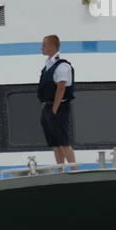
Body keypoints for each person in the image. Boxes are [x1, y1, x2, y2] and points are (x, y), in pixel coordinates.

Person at [38, 35, 76, 172]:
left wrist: (54, 109)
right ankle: (61, 170)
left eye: (44, 45)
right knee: (55, 143)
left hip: (59, 107)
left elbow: (61, 87)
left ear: (52, 47)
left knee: (63, 141)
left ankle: (74, 170)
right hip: (48, 106)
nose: (42, 47)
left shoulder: (62, 66)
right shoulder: (48, 65)